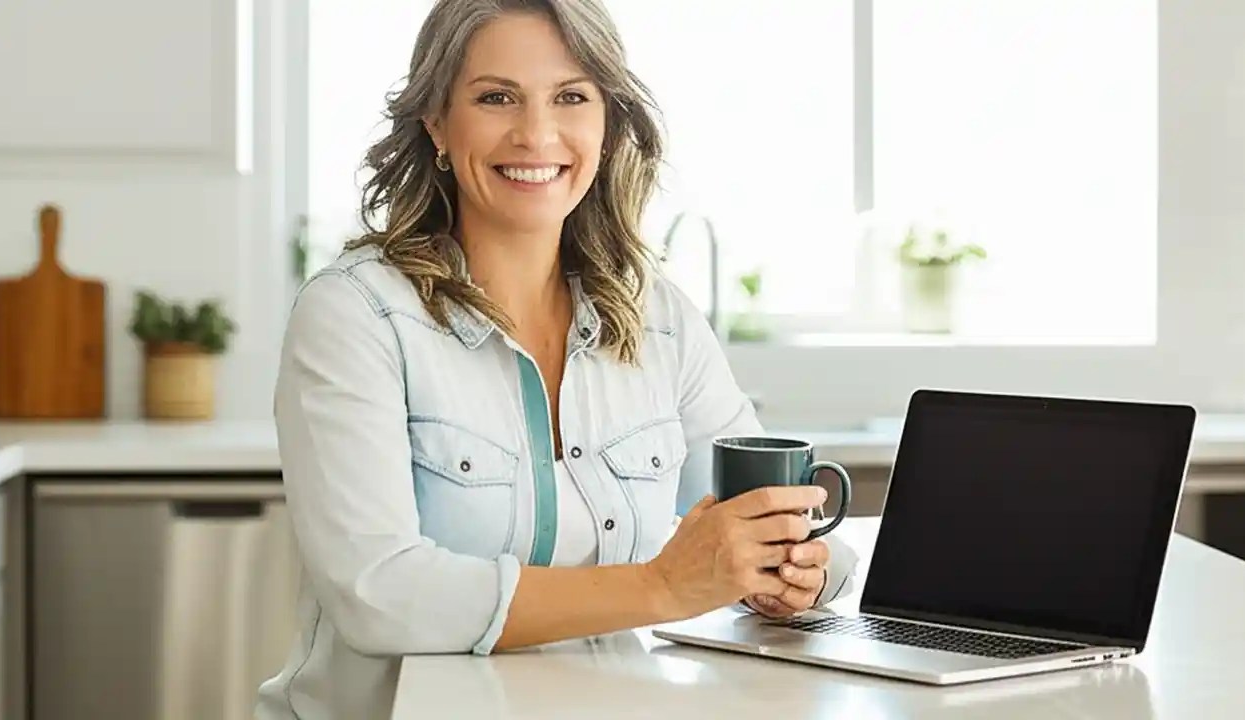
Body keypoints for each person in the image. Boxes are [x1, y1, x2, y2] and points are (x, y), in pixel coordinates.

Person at [256, 0, 858, 717]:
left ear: (608, 125)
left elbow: (786, 525)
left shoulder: (658, 319)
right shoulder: (356, 314)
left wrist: (795, 572)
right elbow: (378, 594)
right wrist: (664, 585)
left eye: (571, 97)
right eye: (496, 98)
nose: (536, 134)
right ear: (437, 123)